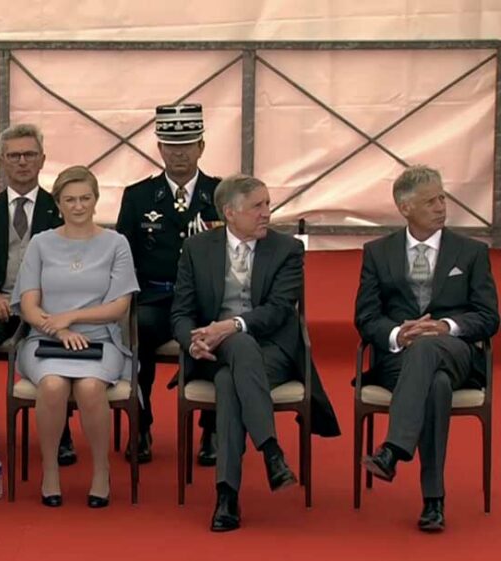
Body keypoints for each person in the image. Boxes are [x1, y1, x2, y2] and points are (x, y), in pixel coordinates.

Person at [170, 173, 339, 532]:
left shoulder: (287, 249)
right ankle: (270, 451)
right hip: (211, 351)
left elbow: (279, 310)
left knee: (230, 378)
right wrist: (192, 341)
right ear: (230, 212)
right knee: (233, 360)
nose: (267, 213)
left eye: (267, 204)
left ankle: (226, 496)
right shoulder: (196, 248)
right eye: (257, 206)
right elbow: (181, 313)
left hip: (272, 350)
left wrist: (231, 326)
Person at [357, 165, 499, 532]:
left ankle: (393, 449)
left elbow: (489, 317)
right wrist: (397, 334)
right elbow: (366, 317)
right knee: (435, 383)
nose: (441, 207)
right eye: (430, 201)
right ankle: (433, 500)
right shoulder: (377, 252)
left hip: (456, 352)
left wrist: (445, 326)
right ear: (405, 208)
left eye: (442, 198)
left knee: (429, 348)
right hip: (398, 360)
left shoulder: (471, 252)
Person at [13, 166, 138, 508]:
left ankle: (101, 471)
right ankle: (50, 470)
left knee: (90, 387)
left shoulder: (116, 243)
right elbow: (28, 305)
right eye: (70, 200)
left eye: (85, 198)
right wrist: (60, 329)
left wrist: (74, 317)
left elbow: (120, 306)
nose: (78, 206)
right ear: (58, 204)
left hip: (100, 340)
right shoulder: (40, 243)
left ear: (96, 200)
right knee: (53, 385)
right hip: (45, 339)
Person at [117, 103, 223, 465]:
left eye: (187, 145)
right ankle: (141, 424)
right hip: (157, 297)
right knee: (139, 331)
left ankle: (212, 428)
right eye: (172, 146)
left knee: (219, 333)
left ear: (201, 147)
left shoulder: (221, 193)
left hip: (206, 301)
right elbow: (124, 256)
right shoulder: (138, 196)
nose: (179, 153)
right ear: (160, 148)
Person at [0, 123, 74, 466]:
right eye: (14, 156)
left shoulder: (63, 209)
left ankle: (61, 436)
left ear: (43, 159)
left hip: (48, 306)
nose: (22, 162)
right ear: (2, 160)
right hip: (0, 305)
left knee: (61, 341)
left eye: (29, 154)